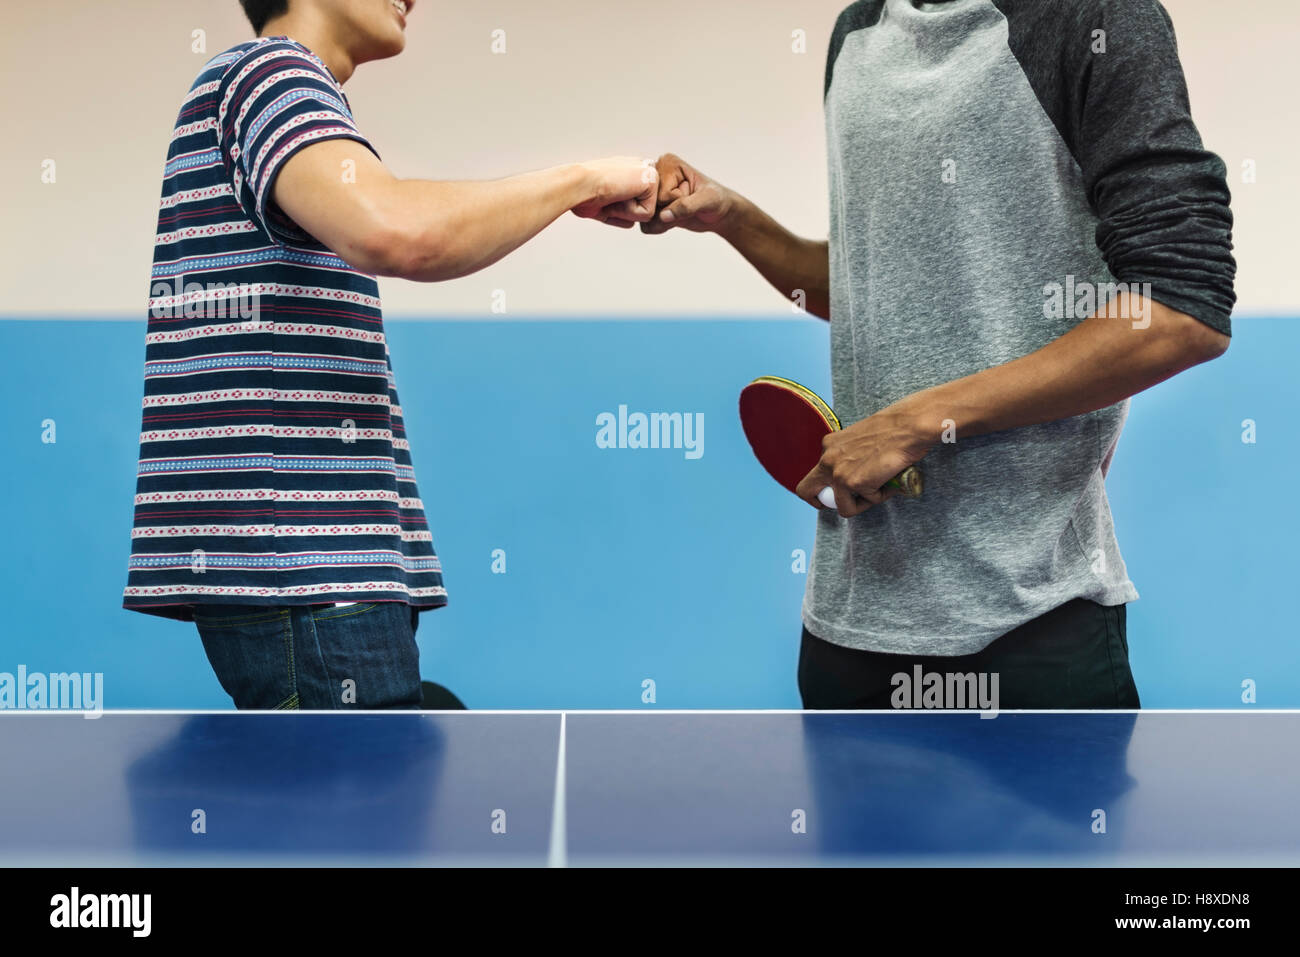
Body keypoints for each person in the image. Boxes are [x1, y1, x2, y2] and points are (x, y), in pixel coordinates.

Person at [632, 0, 1236, 709]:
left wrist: (918, 421)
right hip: (848, 621)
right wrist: (731, 218)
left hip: (1029, 627)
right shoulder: (857, 33)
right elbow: (873, 285)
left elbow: (1182, 308)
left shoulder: (1095, 17)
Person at [123, 0, 656, 710]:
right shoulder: (272, 75)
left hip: (312, 576)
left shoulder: (261, 88)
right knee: (357, 815)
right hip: (311, 569)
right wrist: (582, 179)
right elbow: (400, 233)